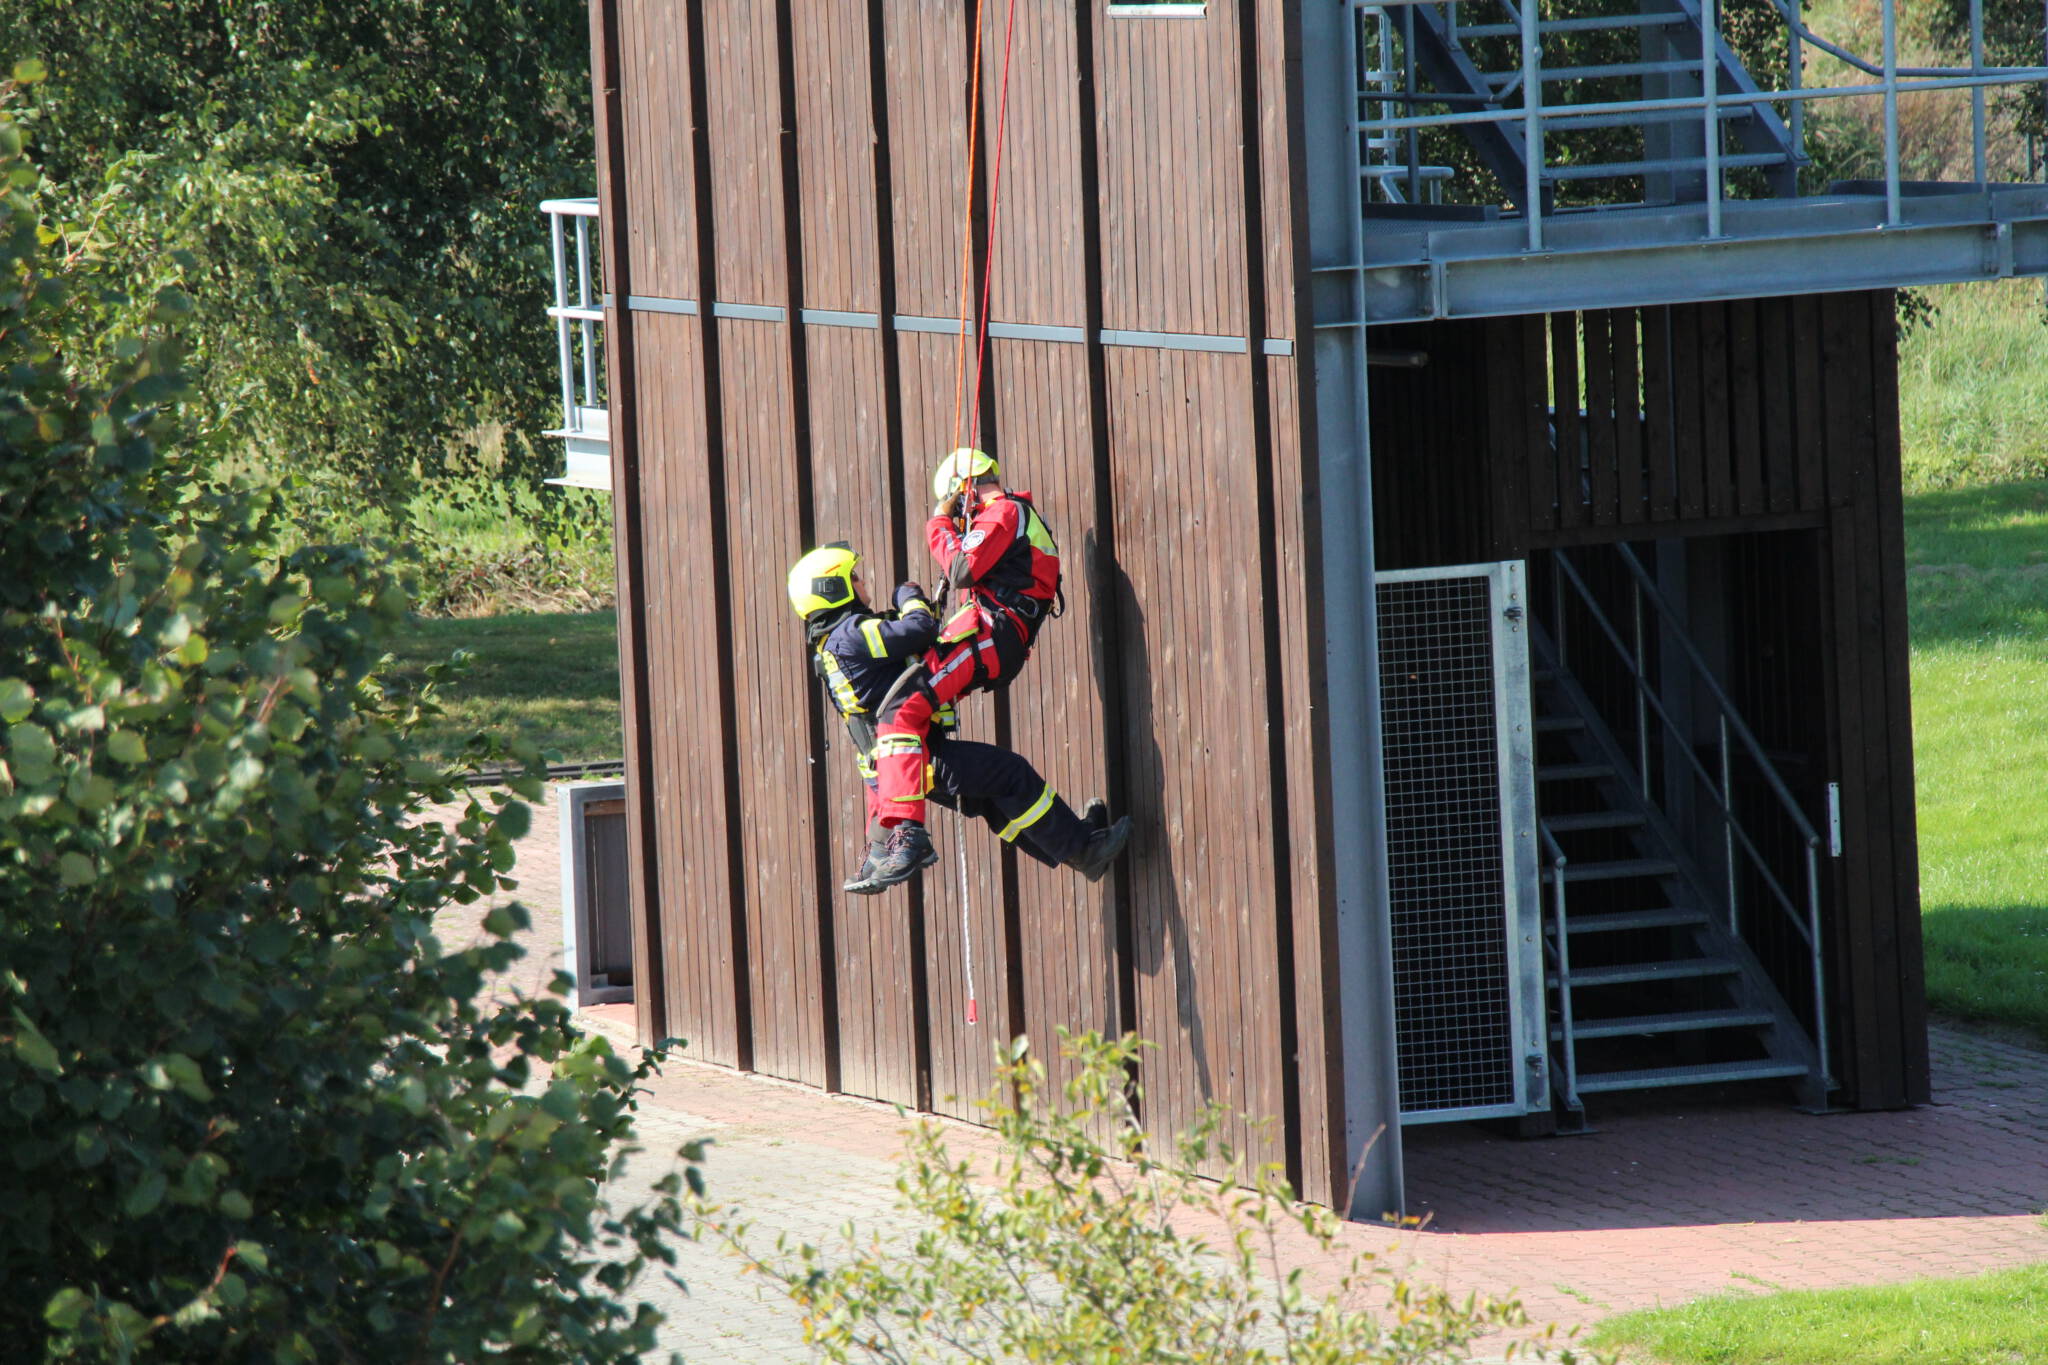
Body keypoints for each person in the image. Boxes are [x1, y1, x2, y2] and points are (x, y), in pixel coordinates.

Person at [786, 541, 1128, 893]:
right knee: (1010, 774)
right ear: (833, 588)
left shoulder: (833, 645)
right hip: (917, 759)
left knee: (997, 799)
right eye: (853, 576)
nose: (861, 580)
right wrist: (910, 597)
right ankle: (1084, 850)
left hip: (908, 765)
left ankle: (1079, 845)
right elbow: (917, 630)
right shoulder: (851, 635)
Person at [869, 449, 1062, 877]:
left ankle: (901, 836)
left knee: (899, 711)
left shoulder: (1003, 513)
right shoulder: (1010, 520)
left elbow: (960, 570)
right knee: (913, 715)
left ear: (964, 491)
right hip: (997, 636)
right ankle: (1075, 844)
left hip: (992, 636)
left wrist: (939, 522)